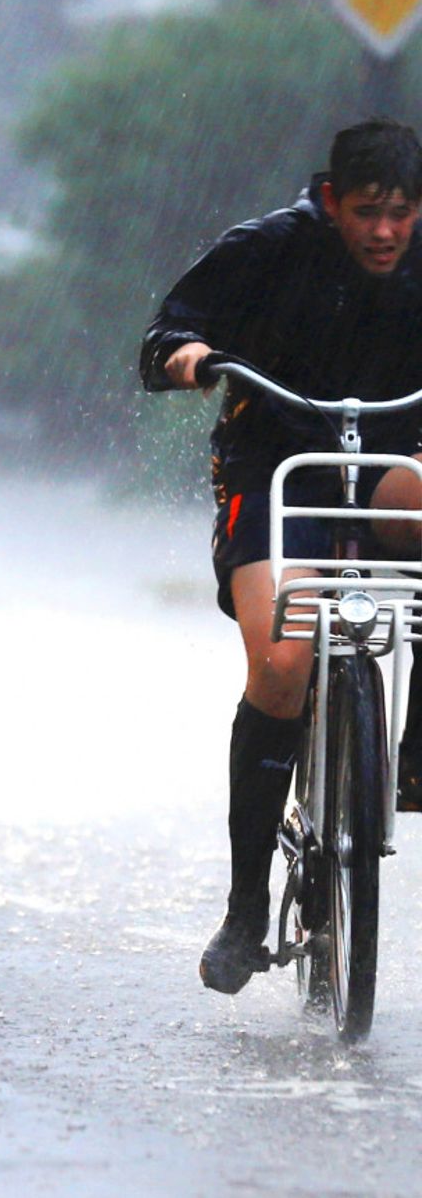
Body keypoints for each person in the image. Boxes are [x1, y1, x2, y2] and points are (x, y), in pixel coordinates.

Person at [140, 117, 422, 995]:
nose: (385, 231)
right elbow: (162, 339)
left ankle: (414, 749)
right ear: (333, 200)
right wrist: (187, 356)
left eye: (403, 214)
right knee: (284, 660)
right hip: (276, 466)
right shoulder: (266, 247)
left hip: (385, 462)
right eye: (369, 211)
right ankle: (244, 905)